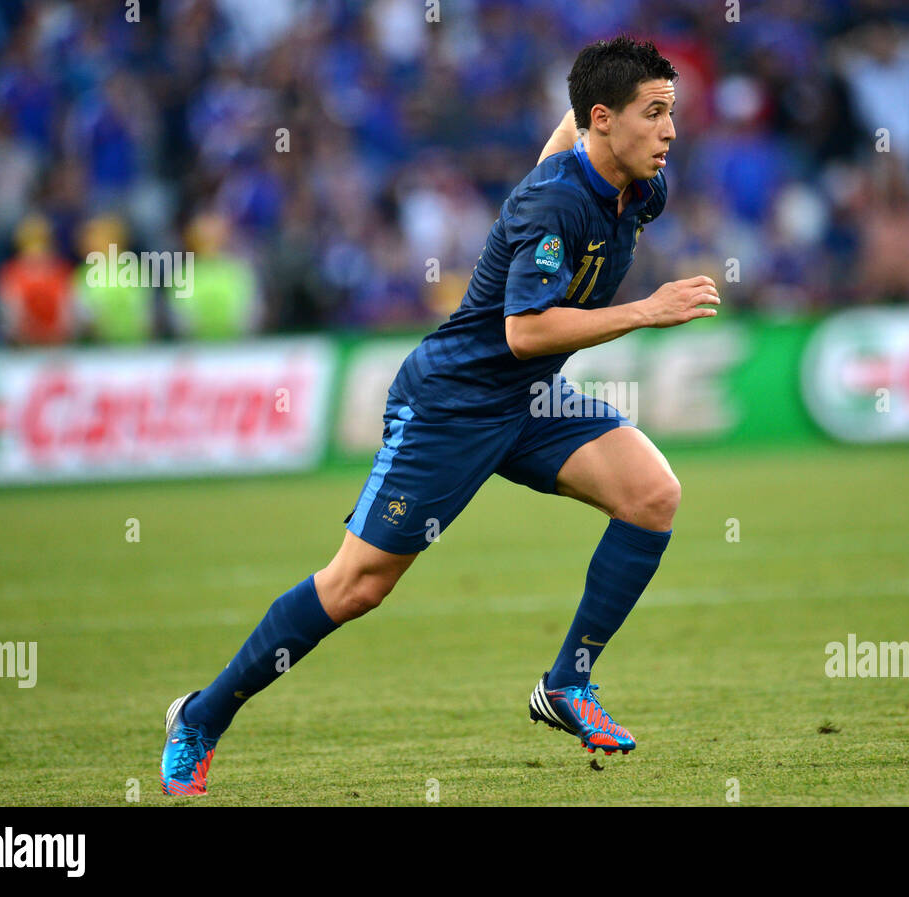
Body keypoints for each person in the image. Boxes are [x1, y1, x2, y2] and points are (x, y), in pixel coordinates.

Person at [160, 35, 720, 796]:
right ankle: (201, 714)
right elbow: (524, 330)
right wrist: (645, 311)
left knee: (653, 495)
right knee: (357, 585)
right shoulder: (552, 204)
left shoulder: (637, 185)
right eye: (654, 113)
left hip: (527, 399)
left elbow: (565, 147)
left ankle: (566, 684)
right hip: (450, 404)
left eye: (671, 113)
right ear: (603, 119)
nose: (670, 131)